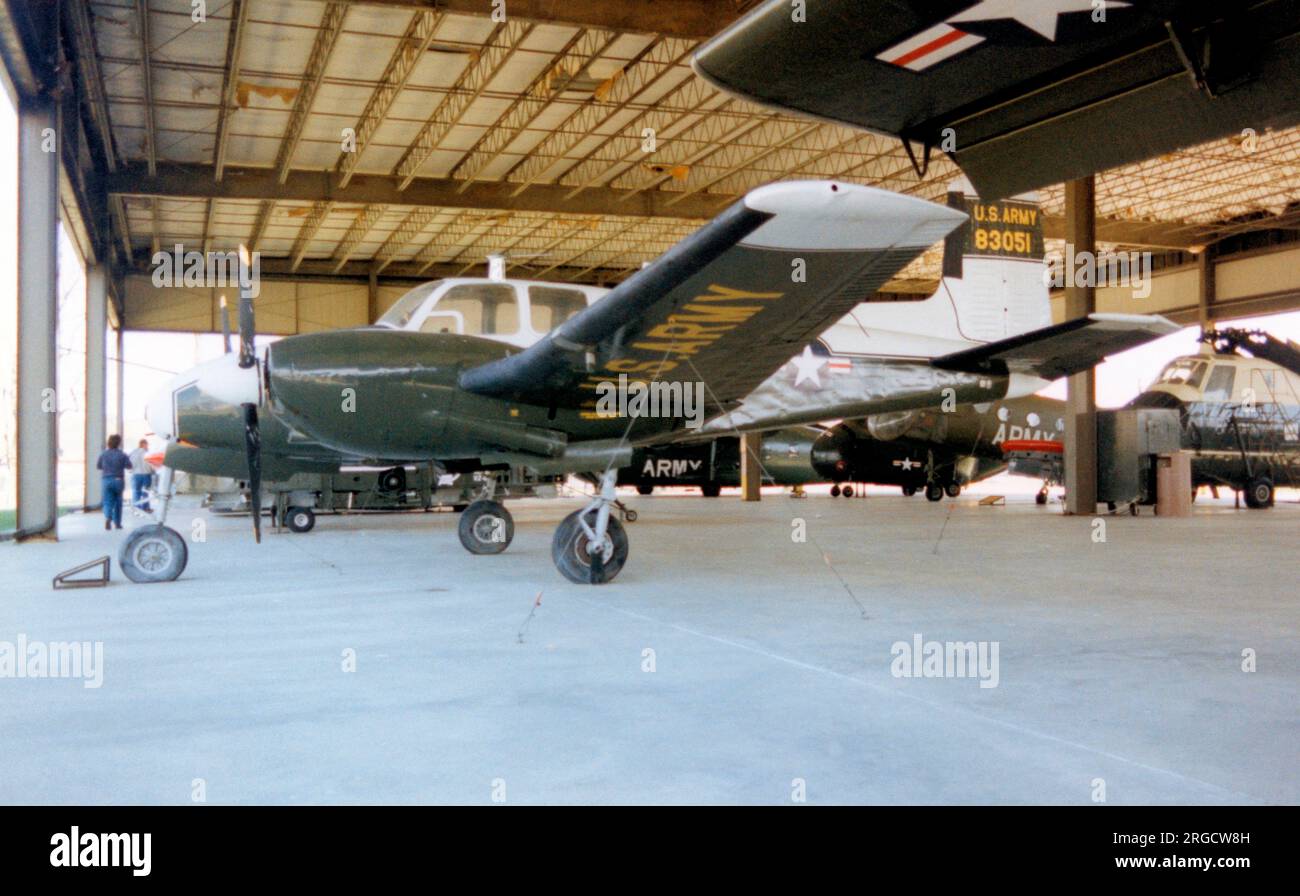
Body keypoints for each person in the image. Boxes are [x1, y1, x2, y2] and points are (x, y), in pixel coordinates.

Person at [95, 434, 132, 530]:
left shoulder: (103, 454)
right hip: (118, 479)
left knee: (107, 501)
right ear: (119, 443)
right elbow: (129, 466)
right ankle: (117, 523)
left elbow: (98, 466)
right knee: (118, 502)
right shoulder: (122, 454)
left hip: (106, 480)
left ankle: (108, 517)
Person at [128, 438, 154, 513]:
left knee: (136, 491)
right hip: (146, 474)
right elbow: (151, 464)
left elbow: (131, 464)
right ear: (143, 444)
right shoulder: (148, 453)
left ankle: (136, 509)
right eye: (147, 444)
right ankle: (146, 508)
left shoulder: (134, 452)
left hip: (136, 475)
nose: (147, 446)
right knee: (145, 492)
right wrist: (152, 471)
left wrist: (131, 471)